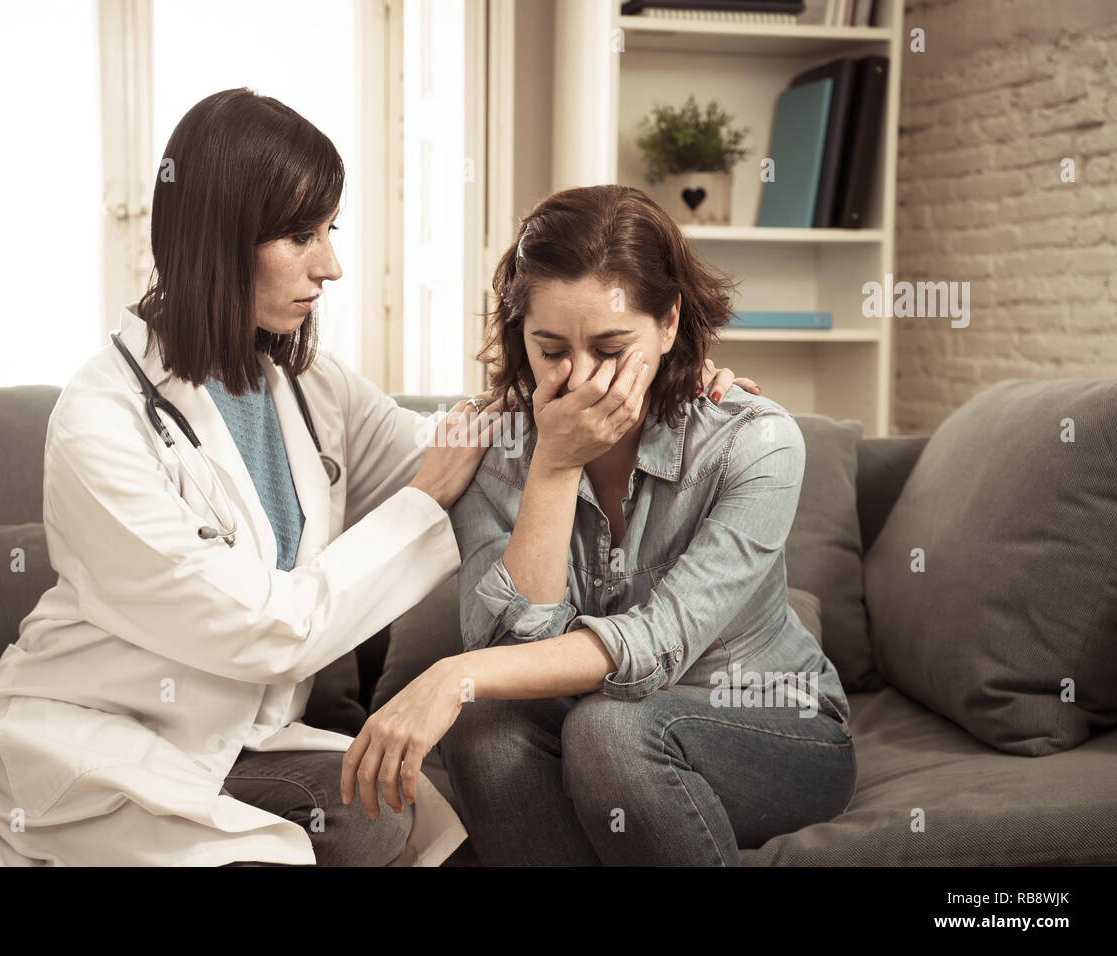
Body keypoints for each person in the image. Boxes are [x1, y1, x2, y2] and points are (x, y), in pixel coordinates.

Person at [0, 88, 756, 866]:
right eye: (302, 237)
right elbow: (263, 629)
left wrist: (657, 379)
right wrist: (420, 502)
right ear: (218, 238)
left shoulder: (308, 385)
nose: (333, 265)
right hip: (97, 728)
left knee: (389, 816)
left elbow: (471, 447)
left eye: (330, 230)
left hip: (239, 741)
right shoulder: (100, 419)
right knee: (284, 847)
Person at [339, 184, 854, 866]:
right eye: (551, 348)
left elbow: (657, 644)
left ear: (668, 324)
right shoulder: (492, 450)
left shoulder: (755, 443)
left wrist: (453, 675)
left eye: (611, 348)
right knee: (485, 728)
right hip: (590, 724)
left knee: (609, 729)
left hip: (774, 724)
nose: (580, 378)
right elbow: (505, 643)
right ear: (519, 331)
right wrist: (553, 467)